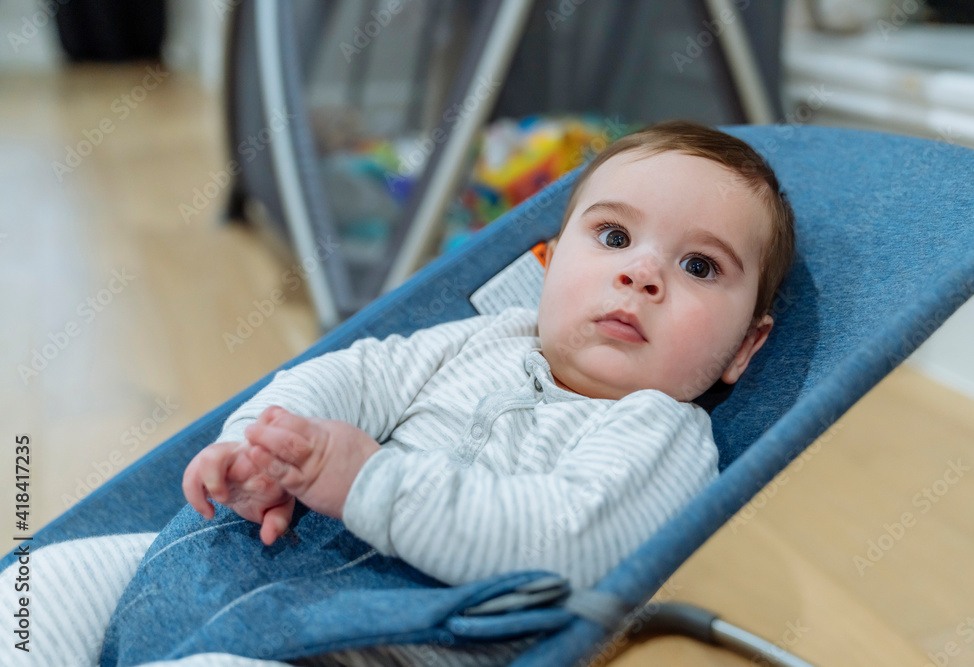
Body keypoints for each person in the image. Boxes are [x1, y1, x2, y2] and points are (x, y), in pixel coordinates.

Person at [0, 120, 795, 667]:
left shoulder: (661, 431)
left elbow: (567, 543)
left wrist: (366, 480)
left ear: (743, 348)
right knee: (36, 589)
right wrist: (264, 443)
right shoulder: (487, 338)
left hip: (383, 640)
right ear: (550, 263)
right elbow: (358, 373)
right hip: (261, 550)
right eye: (614, 236)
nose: (642, 272)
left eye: (699, 266)